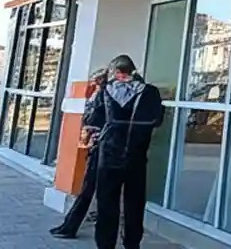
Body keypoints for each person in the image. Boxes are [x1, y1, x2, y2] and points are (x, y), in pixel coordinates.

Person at [83, 55, 165, 249]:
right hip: (136, 155)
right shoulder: (151, 92)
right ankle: (132, 243)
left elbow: (92, 120)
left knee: (106, 203)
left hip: (109, 155)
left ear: (115, 71)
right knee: (134, 203)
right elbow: (158, 119)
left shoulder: (105, 91)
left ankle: (105, 244)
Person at [49, 68, 109, 239]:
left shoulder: (101, 97)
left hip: (99, 146)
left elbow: (92, 119)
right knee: (93, 190)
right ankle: (71, 224)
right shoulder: (104, 96)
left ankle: (71, 226)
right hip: (100, 146)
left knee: (88, 190)